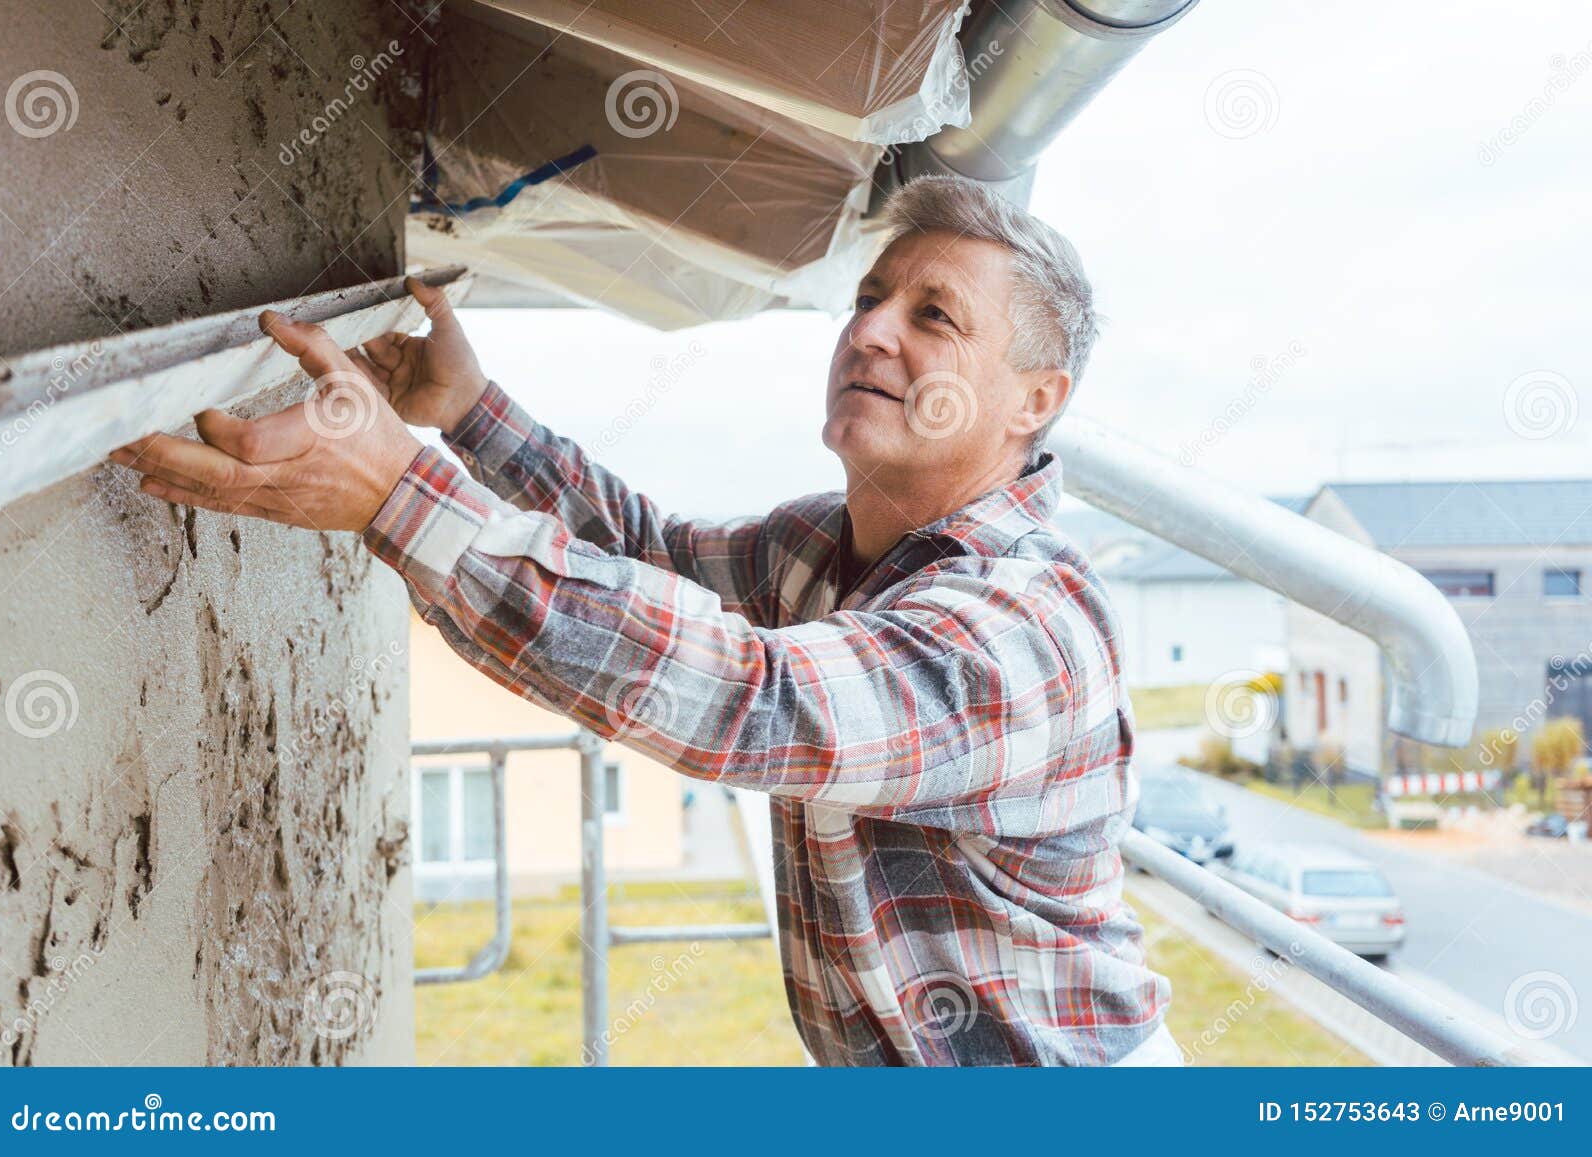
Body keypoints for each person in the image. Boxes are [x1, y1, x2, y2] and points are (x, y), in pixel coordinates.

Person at [113, 174, 1181, 1066]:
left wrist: (397, 493)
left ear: (1035, 400)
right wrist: (470, 414)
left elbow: (756, 701)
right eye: (868, 297)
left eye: (931, 316)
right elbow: (650, 554)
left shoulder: (1025, 622)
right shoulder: (826, 549)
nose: (868, 330)